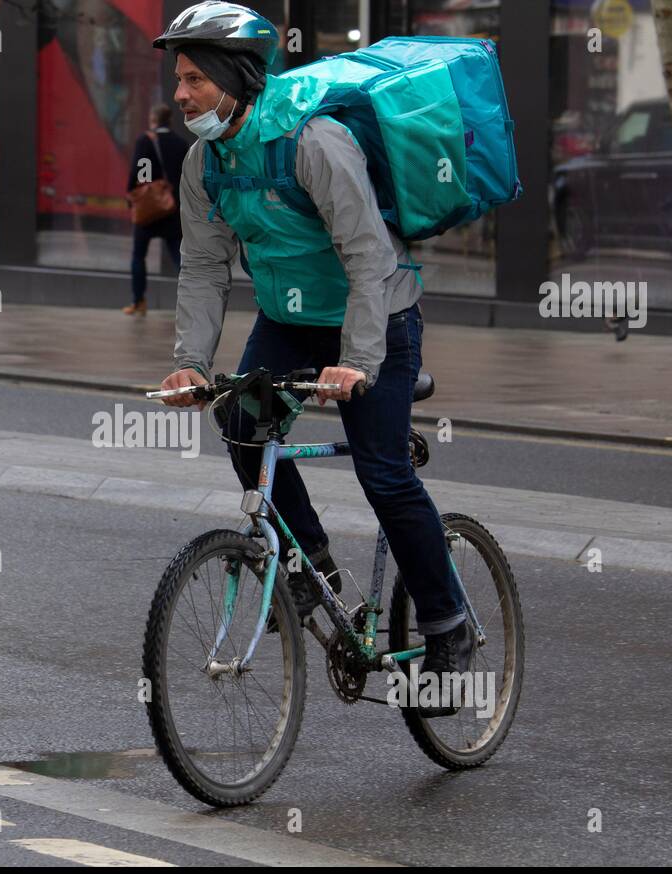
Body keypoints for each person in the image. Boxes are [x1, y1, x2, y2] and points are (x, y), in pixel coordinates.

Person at [153, 1, 472, 715]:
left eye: (195, 79)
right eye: (178, 79)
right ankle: (307, 567)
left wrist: (358, 359)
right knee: (240, 421)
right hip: (290, 319)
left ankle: (449, 627)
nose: (181, 94)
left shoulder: (314, 143)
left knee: (383, 470)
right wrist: (194, 364)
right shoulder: (207, 161)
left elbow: (367, 256)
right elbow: (203, 267)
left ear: (237, 79)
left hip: (376, 312)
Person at [122, 104, 187, 317]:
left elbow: (142, 174)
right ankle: (191, 301)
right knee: (180, 258)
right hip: (172, 209)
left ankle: (138, 301)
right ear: (169, 120)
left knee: (138, 256)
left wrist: (134, 193)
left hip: (150, 210)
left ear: (153, 119)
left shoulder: (146, 141)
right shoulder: (181, 143)